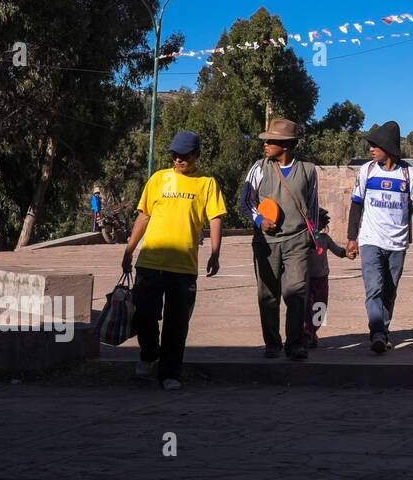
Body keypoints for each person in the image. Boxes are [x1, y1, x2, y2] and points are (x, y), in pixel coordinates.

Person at [121, 131, 225, 391]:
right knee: (144, 315)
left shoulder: (206, 184)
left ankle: (169, 373)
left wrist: (215, 252)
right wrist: (129, 249)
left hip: (183, 267)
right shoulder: (158, 179)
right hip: (150, 262)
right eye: (175, 155)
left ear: (196, 156)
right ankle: (149, 354)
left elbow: (215, 218)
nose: (178, 160)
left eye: (184, 156)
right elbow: (143, 216)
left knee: (176, 326)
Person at [346, 120, 413, 354]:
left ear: (388, 147)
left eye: (375, 145)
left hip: (398, 243)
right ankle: (377, 333)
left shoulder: (408, 173)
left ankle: (382, 331)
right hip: (370, 240)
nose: (371, 149)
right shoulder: (367, 170)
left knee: (389, 292)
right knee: (373, 288)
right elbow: (356, 204)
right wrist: (352, 237)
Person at [238, 117, 319, 361]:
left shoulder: (308, 170)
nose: (265, 144)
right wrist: (259, 220)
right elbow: (245, 201)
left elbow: (313, 206)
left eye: (270, 141)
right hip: (266, 242)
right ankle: (272, 343)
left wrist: (314, 239)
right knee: (267, 294)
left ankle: (295, 344)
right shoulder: (259, 167)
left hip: (297, 240)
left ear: (286, 145)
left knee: (296, 292)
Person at [304, 208, 345, 348]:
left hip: (322, 278)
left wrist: (346, 253)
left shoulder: (325, 239)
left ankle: (313, 331)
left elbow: (337, 250)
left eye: (322, 222)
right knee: (307, 308)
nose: (320, 225)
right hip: (307, 279)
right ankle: (308, 333)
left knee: (321, 307)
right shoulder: (306, 239)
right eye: (317, 222)